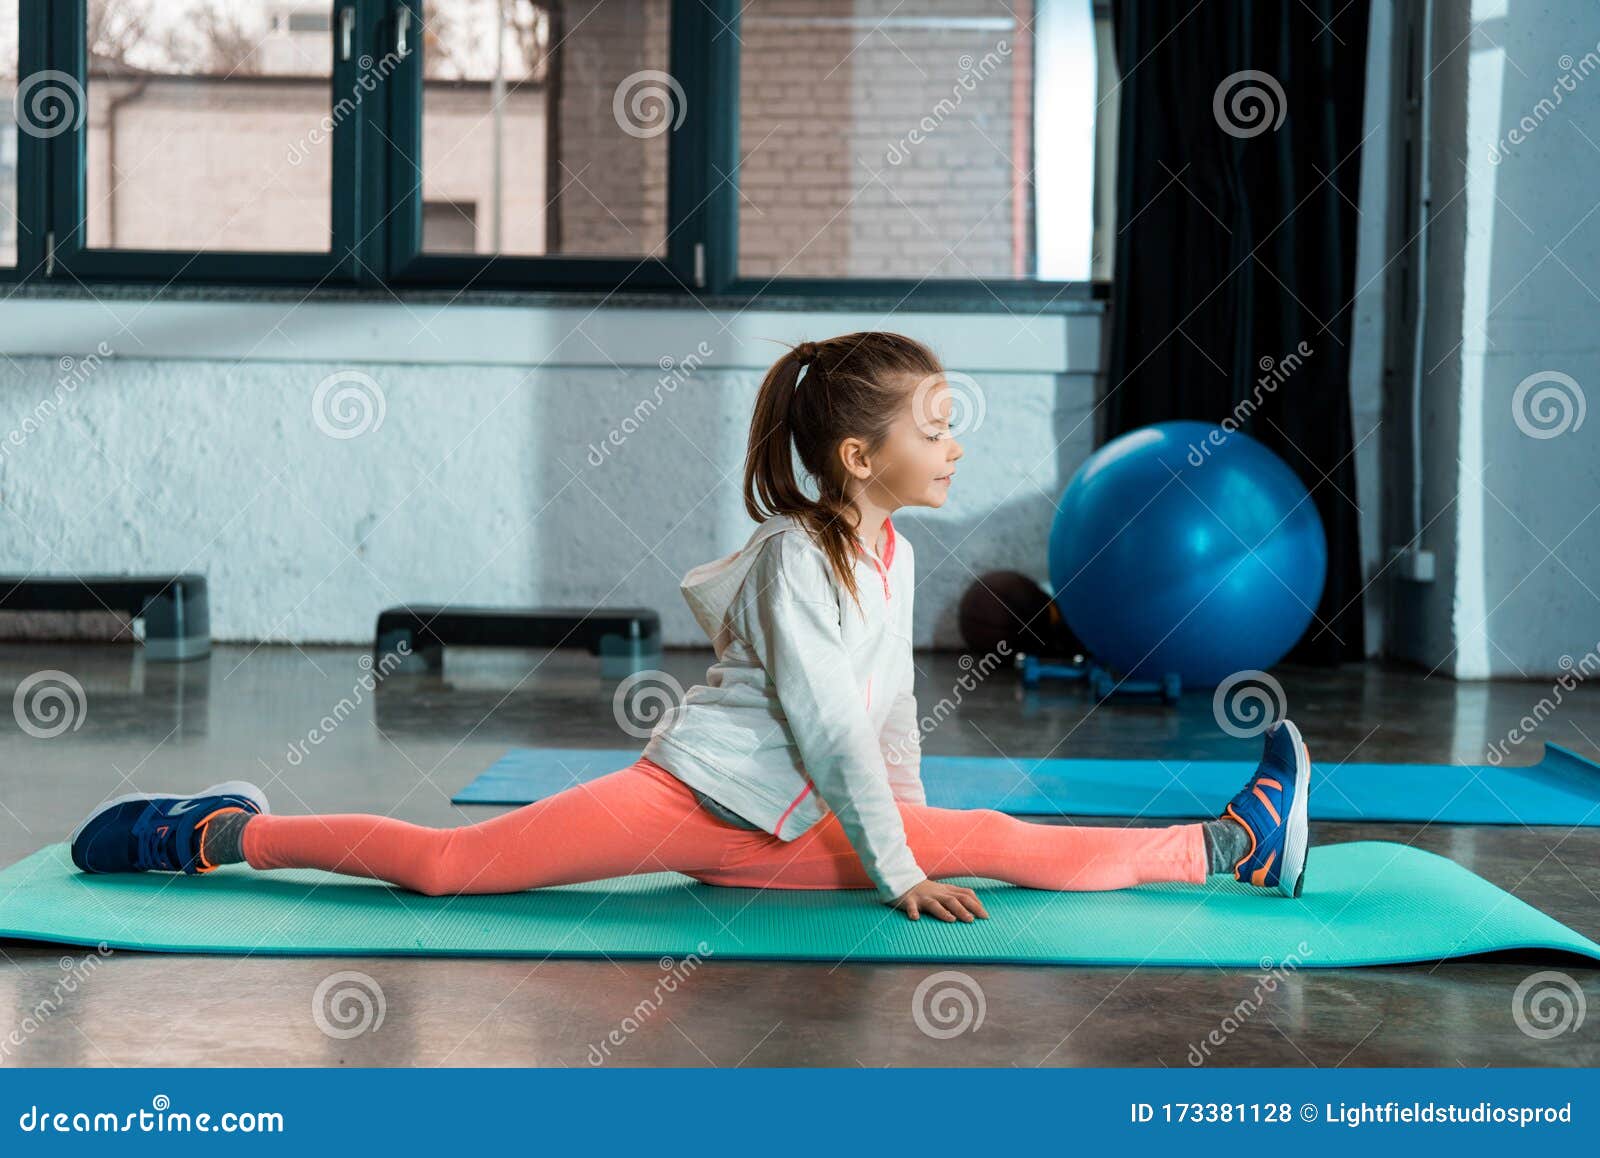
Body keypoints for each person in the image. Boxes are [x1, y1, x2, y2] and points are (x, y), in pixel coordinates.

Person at [68, 331, 1311, 922]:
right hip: (695, 801)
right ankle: (215, 832)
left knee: (989, 837)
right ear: (856, 454)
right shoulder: (797, 559)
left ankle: (1230, 848)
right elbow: (825, 724)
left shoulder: (891, 550)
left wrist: (911, 828)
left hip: (787, 826)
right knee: (446, 870)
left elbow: (883, 715)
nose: (952, 447)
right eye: (932, 429)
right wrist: (901, 868)